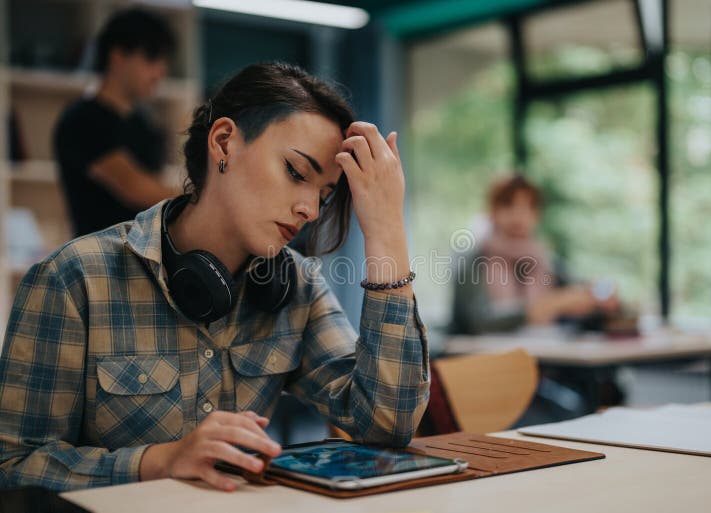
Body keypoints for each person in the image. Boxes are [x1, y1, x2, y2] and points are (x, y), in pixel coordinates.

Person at [0, 62, 429, 492]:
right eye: (296, 173)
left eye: (324, 194)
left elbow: (386, 425)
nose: (310, 211)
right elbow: (12, 465)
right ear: (224, 142)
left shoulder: (298, 287)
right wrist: (161, 460)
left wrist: (387, 230)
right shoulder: (72, 279)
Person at [54, 7, 178, 237]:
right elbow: (136, 188)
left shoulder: (145, 125)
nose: (161, 71)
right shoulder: (83, 120)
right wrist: (202, 198)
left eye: (163, 60)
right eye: (151, 57)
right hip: (98, 263)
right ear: (118, 56)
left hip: (143, 257)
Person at [451, 175, 618, 334]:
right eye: (509, 205)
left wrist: (598, 294)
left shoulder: (543, 260)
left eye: (528, 207)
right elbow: (478, 322)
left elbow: (578, 290)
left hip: (542, 356)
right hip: (481, 360)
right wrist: (542, 307)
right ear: (492, 211)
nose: (519, 216)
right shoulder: (472, 258)